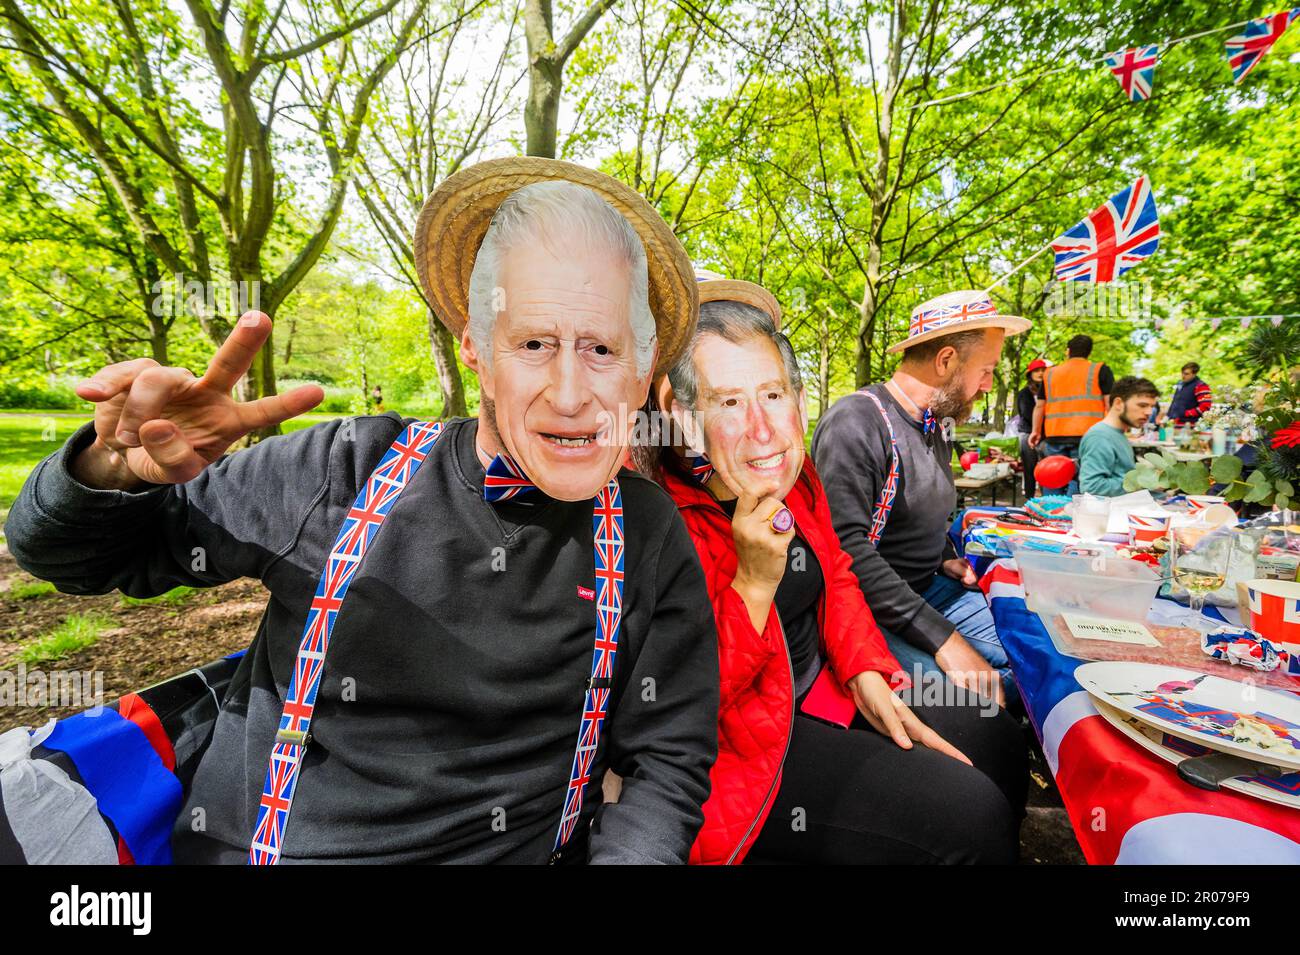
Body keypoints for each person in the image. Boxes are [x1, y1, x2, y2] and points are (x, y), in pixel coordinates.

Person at [4, 158, 721, 864]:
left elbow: (667, 760)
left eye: (601, 348)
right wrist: (110, 472)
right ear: (475, 347)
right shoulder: (345, 469)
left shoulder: (647, 534)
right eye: (534, 343)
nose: (569, 394)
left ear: (643, 367)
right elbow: (65, 555)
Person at [658, 277, 1026, 865]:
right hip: (743, 743)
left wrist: (864, 670)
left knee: (998, 737)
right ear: (677, 412)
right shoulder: (660, 517)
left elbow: (837, 569)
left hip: (822, 688)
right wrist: (753, 585)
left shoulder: (796, 475)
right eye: (727, 402)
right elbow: (676, 703)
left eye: (773, 394)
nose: (762, 430)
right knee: (967, 818)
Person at [812, 290, 1031, 703]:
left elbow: (922, 506)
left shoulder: (936, 423)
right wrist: (944, 640)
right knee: (971, 703)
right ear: (945, 360)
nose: (988, 385)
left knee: (1037, 659)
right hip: (869, 607)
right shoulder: (857, 422)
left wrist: (942, 554)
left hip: (929, 590)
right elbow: (843, 548)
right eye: (986, 370)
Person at [1029, 334, 1113, 470]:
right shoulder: (1100, 370)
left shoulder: (1050, 373)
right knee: (1083, 477)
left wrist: (1036, 431)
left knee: (1056, 475)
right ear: (1089, 352)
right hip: (1088, 436)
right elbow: (1110, 405)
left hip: (1055, 435)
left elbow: (1040, 406)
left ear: (1068, 351)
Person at [1079, 376, 1160, 497]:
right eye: (1142, 405)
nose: (1149, 412)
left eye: (1152, 407)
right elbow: (1092, 487)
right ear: (1118, 403)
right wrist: (1145, 482)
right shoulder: (1099, 437)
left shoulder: (1117, 433)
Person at [1015, 358, 1047, 498]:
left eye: (1043, 370)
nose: (1040, 373)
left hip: (1046, 434)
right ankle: (1029, 497)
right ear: (1030, 374)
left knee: (1046, 468)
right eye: (1037, 371)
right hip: (1028, 433)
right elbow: (1027, 414)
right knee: (1029, 468)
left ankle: (1046, 498)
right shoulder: (1024, 393)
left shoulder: (1051, 391)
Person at [1162, 361, 1213, 427]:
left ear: (1194, 374)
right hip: (1175, 423)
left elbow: (1205, 407)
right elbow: (1175, 402)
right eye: (1182, 373)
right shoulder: (1181, 384)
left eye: (1186, 374)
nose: (1183, 376)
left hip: (1191, 425)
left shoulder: (1201, 386)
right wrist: (1167, 416)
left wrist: (1185, 413)